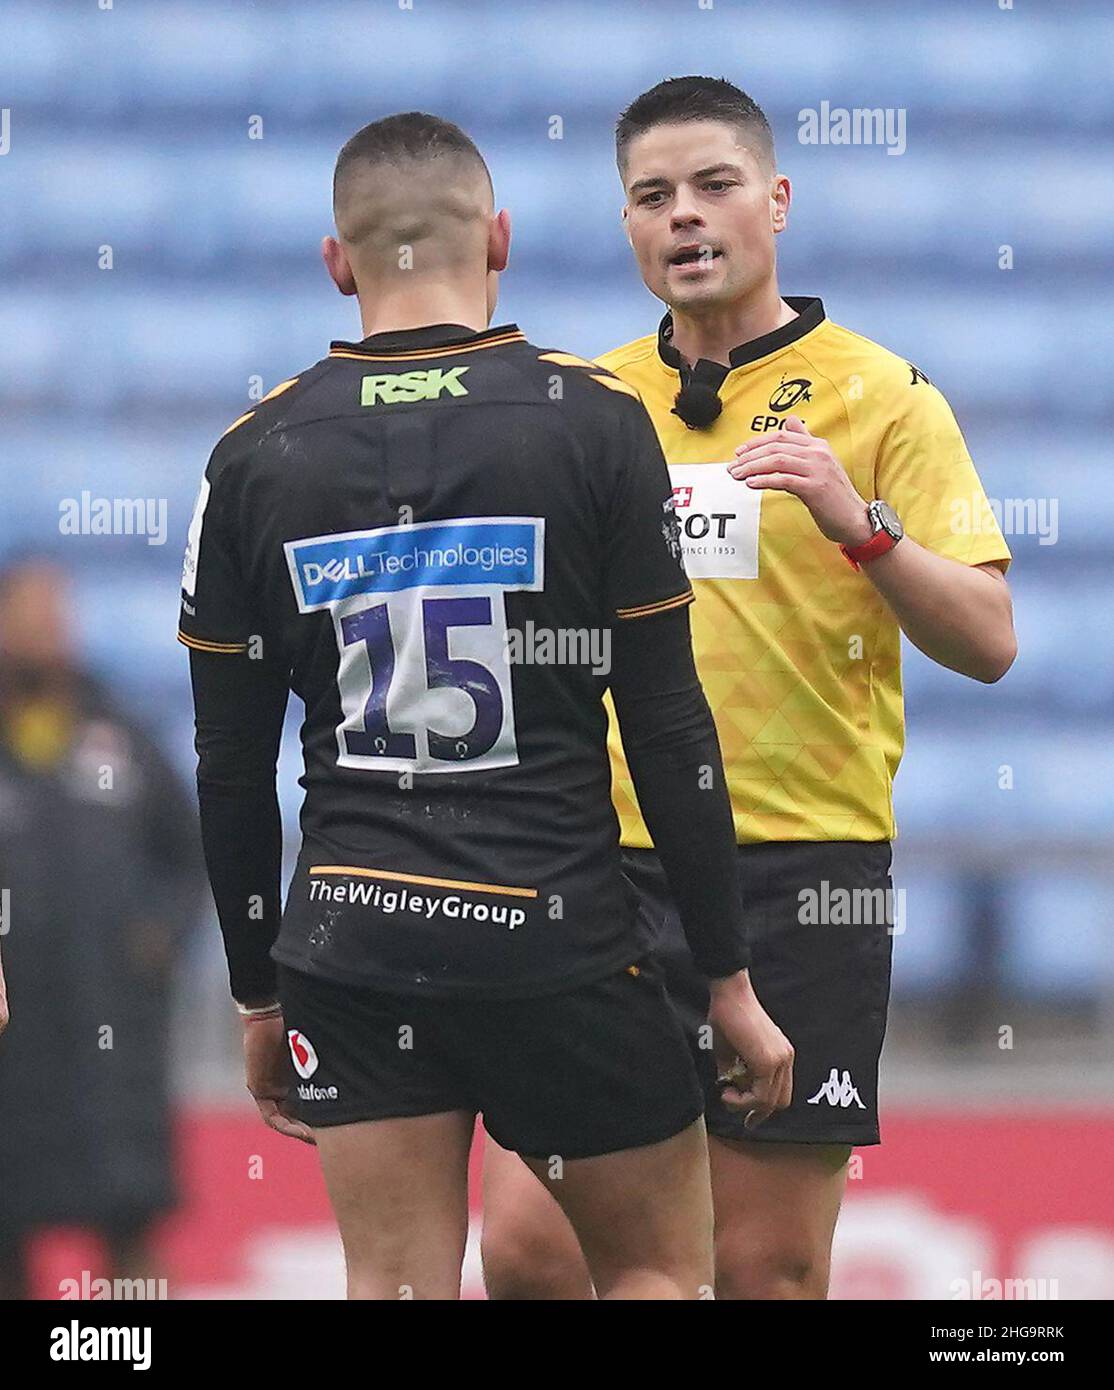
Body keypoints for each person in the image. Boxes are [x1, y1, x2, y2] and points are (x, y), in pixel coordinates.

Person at [181, 111, 791, 1301]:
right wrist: (724, 975)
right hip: (555, 932)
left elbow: (227, 768)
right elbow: (670, 731)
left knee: (395, 1284)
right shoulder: (597, 423)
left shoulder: (250, 459)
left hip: (355, 936)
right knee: (659, 1270)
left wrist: (260, 988)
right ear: (499, 238)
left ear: (338, 259)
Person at [481, 76, 1017, 1301]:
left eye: (713, 185)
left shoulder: (885, 397)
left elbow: (989, 640)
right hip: (602, 861)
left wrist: (858, 524)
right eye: (651, 195)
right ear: (625, 225)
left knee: (762, 1269)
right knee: (526, 1247)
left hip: (800, 866)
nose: (684, 216)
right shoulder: (589, 402)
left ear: (776, 200)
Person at [0, 554, 201, 1300]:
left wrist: (158, 940)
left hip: (109, 1040)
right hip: (11, 1050)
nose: (48, 627)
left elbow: (186, 857)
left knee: (131, 1225)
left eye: (58, 611)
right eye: (29, 610)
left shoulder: (121, 736)